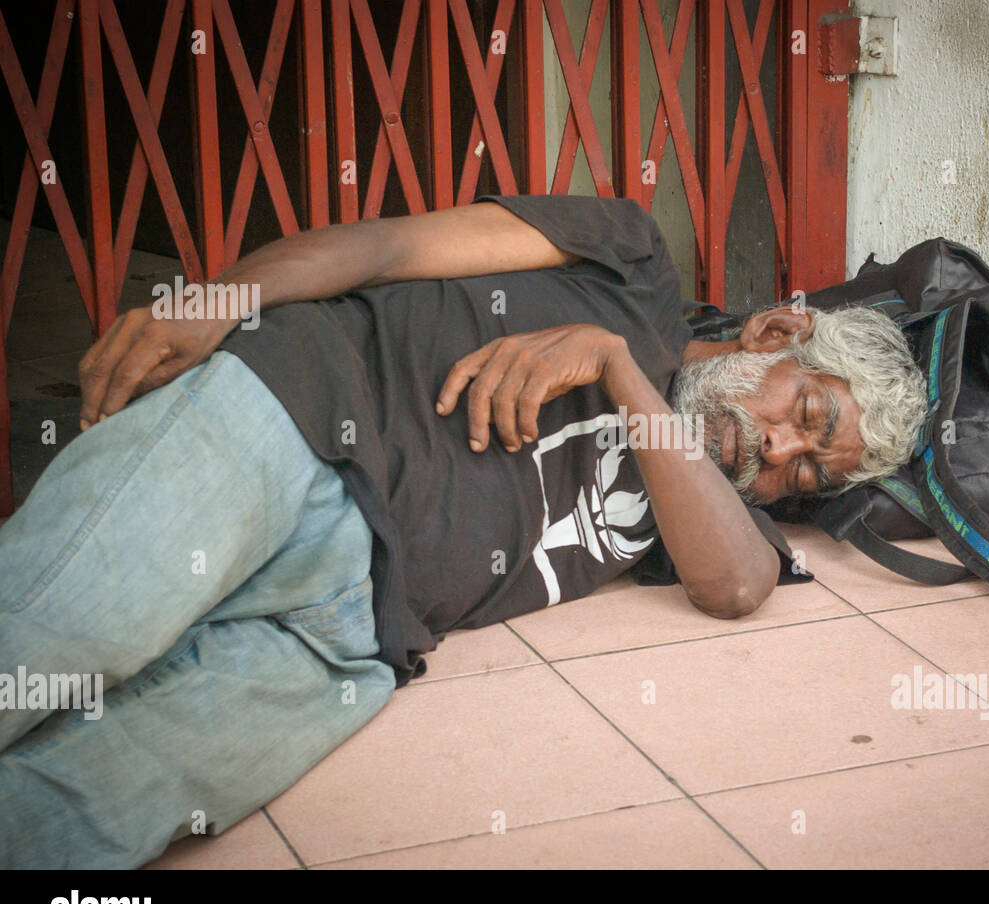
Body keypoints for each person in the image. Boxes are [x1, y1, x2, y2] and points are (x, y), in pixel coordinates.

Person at [0, 193, 926, 867]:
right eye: (805, 412)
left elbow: (733, 588)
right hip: (293, 421)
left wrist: (616, 370)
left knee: (92, 812)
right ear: (772, 337)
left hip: (352, 637)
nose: (774, 448)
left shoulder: (706, 510)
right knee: (48, 641)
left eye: (804, 468)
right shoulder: (631, 264)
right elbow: (384, 245)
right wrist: (213, 303)